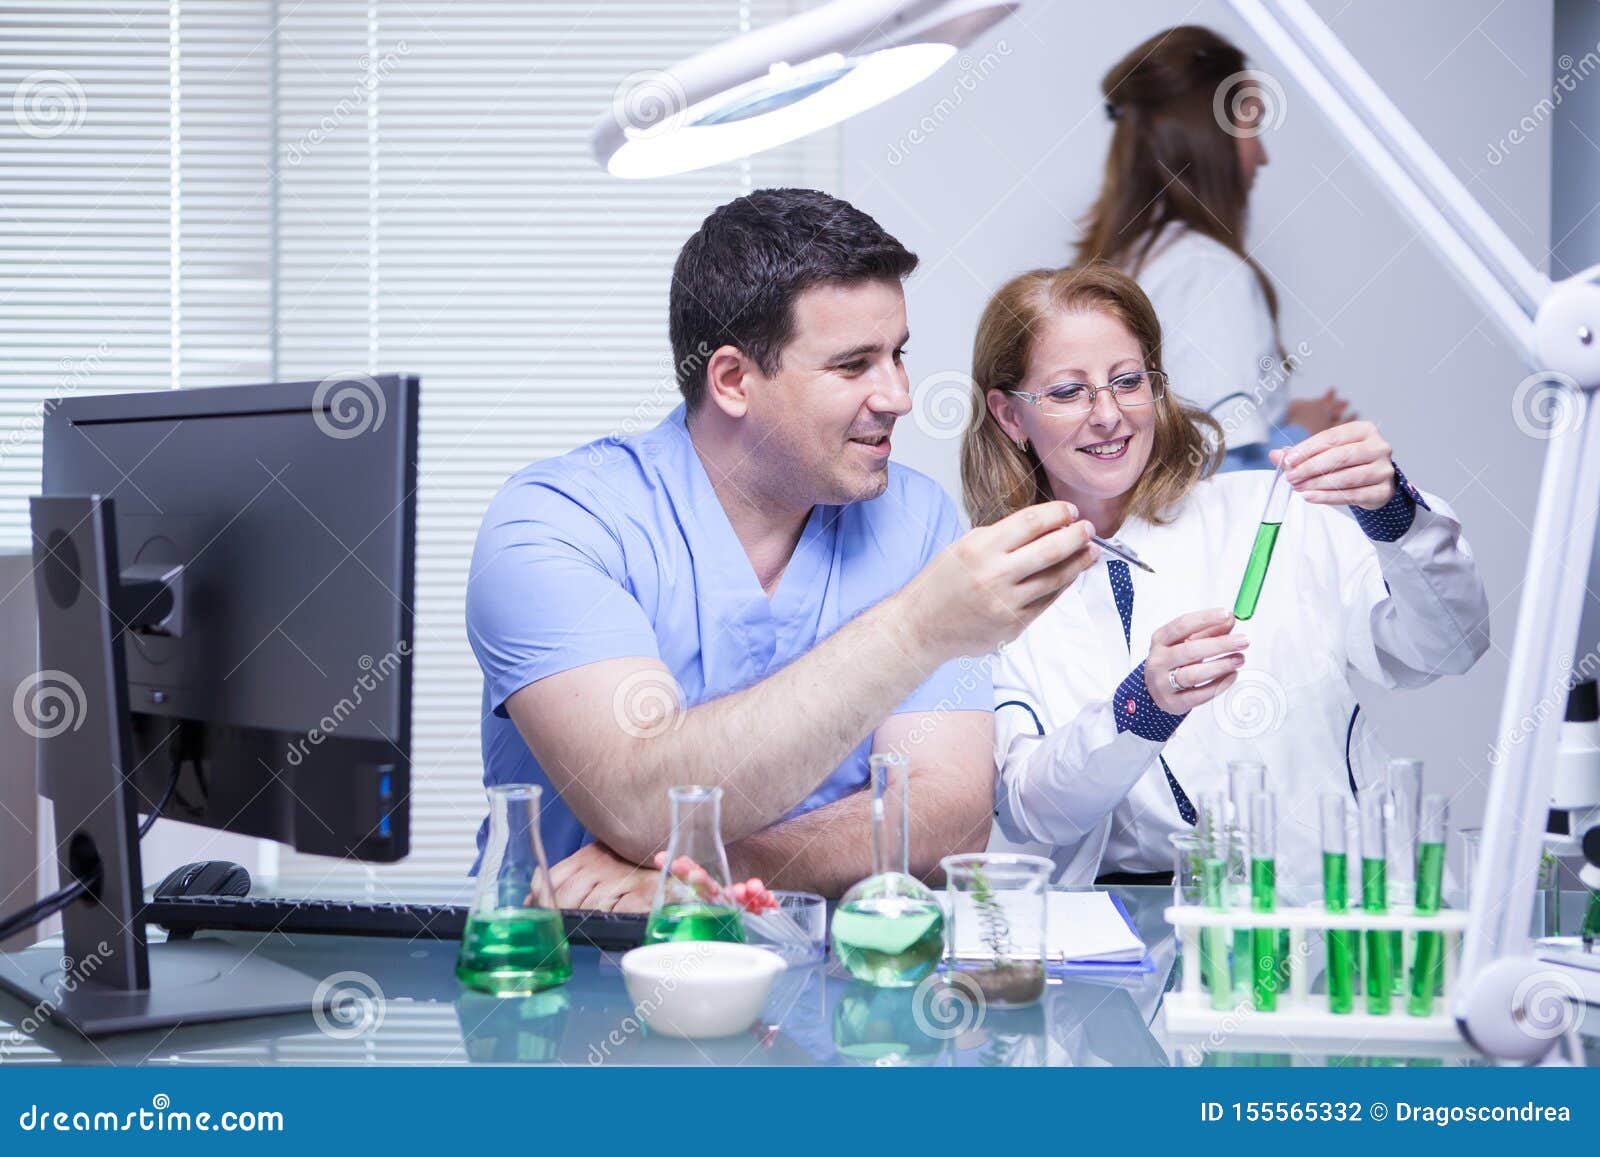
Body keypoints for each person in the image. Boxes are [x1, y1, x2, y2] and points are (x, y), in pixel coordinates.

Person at [465, 188, 1100, 911]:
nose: (899, 395)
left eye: (898, 355)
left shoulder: (915, 519)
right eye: (854, 364)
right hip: (564, 980)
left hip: (833, 996)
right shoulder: (558, 524)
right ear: (734, 380)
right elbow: (640, 804)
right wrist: (917, 627)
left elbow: (946, 813)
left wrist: (708, 878)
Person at [961, 263, 1489, 888]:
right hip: (1144, 929)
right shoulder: (988, 587)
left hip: (1334, 906)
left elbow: (1450, 647)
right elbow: (1031, 810)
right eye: (1069, 391)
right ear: (1009, 415)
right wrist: (1141, 708)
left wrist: (1397, 517)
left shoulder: (1270, 513)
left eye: (1127, 381)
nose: (1107, 415)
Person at [1076, 24, 1351, 470]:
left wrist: (1275, 421)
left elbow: (1178, 441)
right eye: (1252, 125)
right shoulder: (1206, 270)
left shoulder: (1141, 259)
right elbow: (1218, 471)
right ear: (1205, 133)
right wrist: (1306, 437)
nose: (1263, 155)